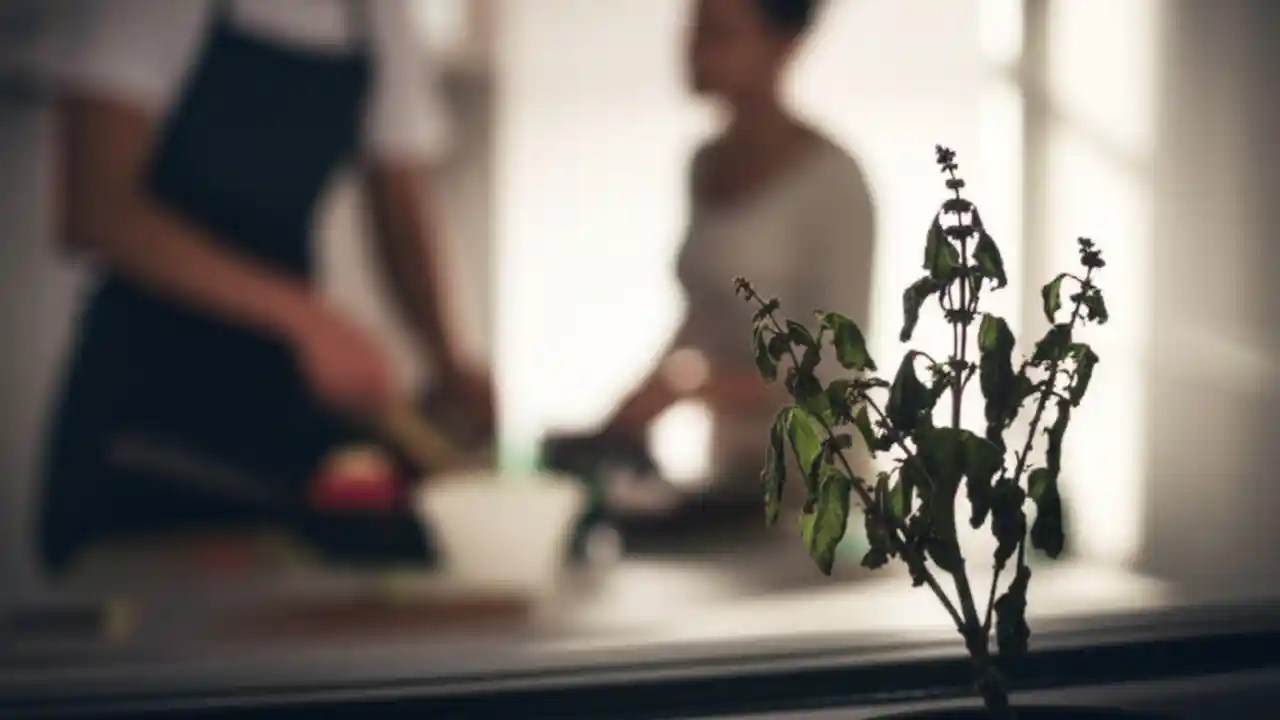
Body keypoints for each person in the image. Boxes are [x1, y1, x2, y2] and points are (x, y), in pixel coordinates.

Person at [36, 0, 492, 571]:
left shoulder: (378, 18)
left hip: (276, 411)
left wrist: (448, 361)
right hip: (145, 410)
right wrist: (308, 319)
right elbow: (95, 207)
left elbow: (399, 206)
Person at [598, 0, 876, 498]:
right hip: (735, 476)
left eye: (718, 34)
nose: (693, 49)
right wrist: (641, 398)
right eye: (693, 30)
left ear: (781, 46)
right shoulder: (704, 165)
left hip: (818, 484)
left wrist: (691, 389)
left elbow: (835, 370)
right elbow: (706, 314)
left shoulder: (835, 183)